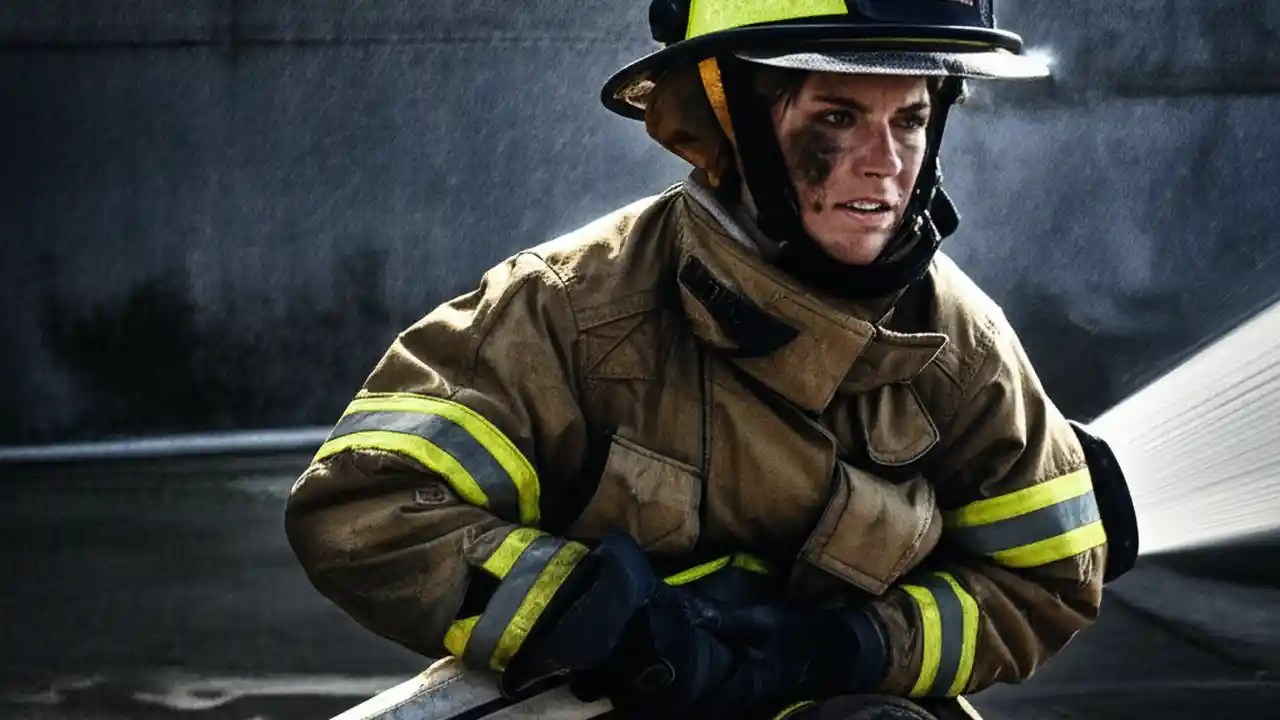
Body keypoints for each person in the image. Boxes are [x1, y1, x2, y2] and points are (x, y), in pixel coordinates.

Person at [287, 2, 1123, 718]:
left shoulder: (962, 349)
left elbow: (1045, 580)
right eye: (836, 116)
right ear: (732, 125)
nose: (887, 160)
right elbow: (370, 508)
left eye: (908, 116)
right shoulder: (574, 310)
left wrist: (848, 648)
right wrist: (595, 616)